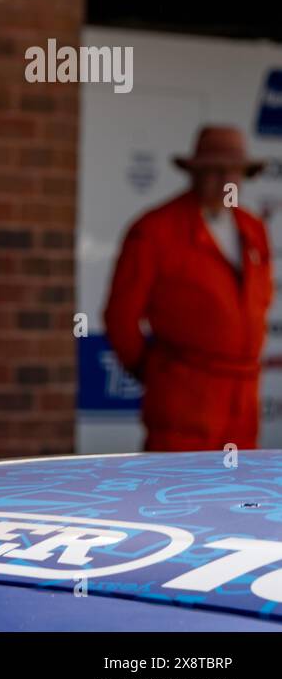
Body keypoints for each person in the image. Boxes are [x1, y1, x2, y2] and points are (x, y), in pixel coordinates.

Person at [104, 125, 273, 451]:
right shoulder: (155, 231)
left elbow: (257, 303)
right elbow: (120, 318)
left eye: (234, 172)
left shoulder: (253, 229)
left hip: (242, 410)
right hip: (183, 410)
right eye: (215, 171)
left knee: (236, 498)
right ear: (195, 173)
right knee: (176, 497)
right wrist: (159, 374)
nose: (226, 181)